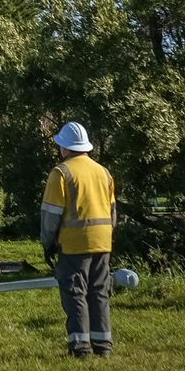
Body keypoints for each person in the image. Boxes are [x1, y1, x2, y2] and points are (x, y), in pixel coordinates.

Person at [39, 121, 117, 357]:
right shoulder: (103, 172)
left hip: (74, 244)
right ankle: (102, 346)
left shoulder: (60, 173)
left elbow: (51, 215)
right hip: (103, 241)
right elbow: (112, 211)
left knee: (76, 293)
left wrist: (47, 242)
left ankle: (80, 347)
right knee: (99, 292)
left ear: (64, 148)